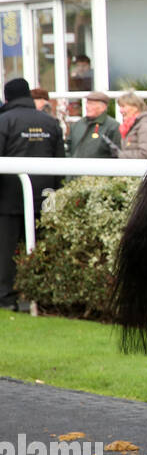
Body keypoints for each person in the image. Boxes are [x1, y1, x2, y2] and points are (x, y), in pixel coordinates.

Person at [0, 78, 65, 310]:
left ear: (7, 97)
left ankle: (6, 299)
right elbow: (61, 164)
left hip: (8, 200)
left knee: (6, 252)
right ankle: (40, 298)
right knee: (40, 250)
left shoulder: (4, 121)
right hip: (43, 198)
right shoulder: (50, 122)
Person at [67, 91, 121, 158]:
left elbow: (116, 153)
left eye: (91, 104)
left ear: (103, 107)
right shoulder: (77, 125)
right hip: (76, 167)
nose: (87, 106)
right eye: (87, 103)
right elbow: (68, 148)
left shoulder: (113, 126)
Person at [117, 91, 147, 160]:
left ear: (136, 107)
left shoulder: (145, 126)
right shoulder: (133, 126)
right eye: (120, 107)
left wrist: (119, 154)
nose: (120, 110)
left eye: (123, 106)